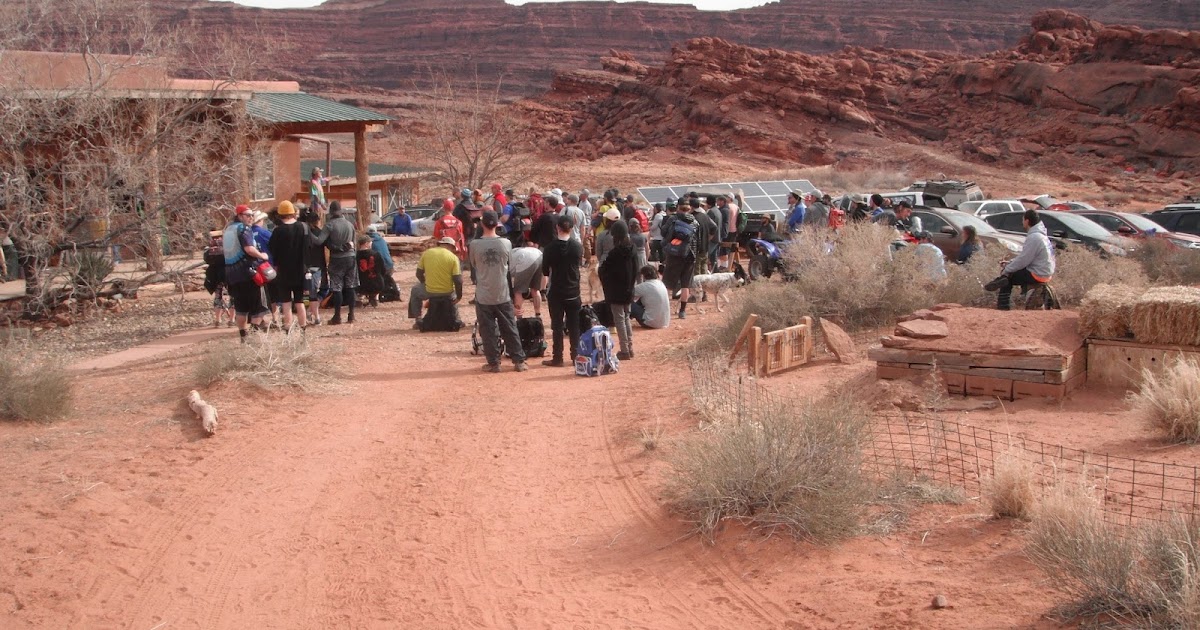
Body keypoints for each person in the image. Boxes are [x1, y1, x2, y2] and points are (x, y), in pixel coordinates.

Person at [470, 211, 528, 373]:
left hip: (483, 294)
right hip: (502, 292)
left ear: (482, 224)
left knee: (487, 331)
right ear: (497, 224)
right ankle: (519, 361)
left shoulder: (474, 244)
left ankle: (494, 363)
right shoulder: (506, 243)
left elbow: (474, 265)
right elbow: (508, 265)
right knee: (509, 327)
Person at [989, 209, 1056, 310]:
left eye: (1023, 220)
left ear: (1027, 221)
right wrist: (1010, 263)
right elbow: (1026, 258)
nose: (1022, 222)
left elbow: (1024, 260)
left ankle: (1003, 307)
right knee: (1011, 271)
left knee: (1007, 278)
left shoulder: (1034, 237)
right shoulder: (1041, 236)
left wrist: (1007, 269)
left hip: (1038, 274)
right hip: (1044, 272)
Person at [223, 205, 270, 342]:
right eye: (248, 215)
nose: (251, 218)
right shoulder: (244, 229)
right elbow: (249, 249)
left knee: (241, 308)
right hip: (249, 274)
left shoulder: (228, 230)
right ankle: (254, 335)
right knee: (258, 307)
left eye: (252, 215)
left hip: (232, 275)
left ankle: (243, 336)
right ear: (239, 215)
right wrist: (262, 255)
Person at [541, 215, 583, 367]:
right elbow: (578, 264)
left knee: (557, 326)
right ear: (571, 228)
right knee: (574, 326)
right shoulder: (577, 246)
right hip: (573, 290)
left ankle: (557, 357)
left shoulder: (550, 248)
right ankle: (576, 355)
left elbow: (545, 271)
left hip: (556, 291)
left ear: (557, 228)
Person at [266, 200, 309, 331]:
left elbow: (272, 249)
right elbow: (308, 247)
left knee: (286, 303)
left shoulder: (278, 231)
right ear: (293, 212)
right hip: (300, 270)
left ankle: (288, 329)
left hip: (283, 271)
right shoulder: (302, 227)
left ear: (280, 214)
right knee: (300, 302)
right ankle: (303, 330)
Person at [599, 219, 638, 360]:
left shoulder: (615, 253)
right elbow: (636, 269)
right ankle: (630, 348)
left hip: (615, 291)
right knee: (626, 317)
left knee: (619, 320)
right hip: (629, 289)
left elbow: (604, 270)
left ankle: (624, 350)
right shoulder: (633, 249)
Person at [408, 236, 463, 320]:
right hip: (447, 292)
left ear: (440, 244)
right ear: (451, 246)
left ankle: (418, 318)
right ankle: (457, 319)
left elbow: (418, 274)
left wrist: (425, 283)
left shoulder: (427, 253)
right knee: (453, 296)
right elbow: (458, 280)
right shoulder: (453, 258)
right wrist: (459, 296)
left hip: (430, 291)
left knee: (415, 290)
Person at [660, 201, 698, 319]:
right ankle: (682, 311)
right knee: (685, 285)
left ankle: (664, 310)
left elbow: (664, 232)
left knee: (667, 284)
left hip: (674, 254)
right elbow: (698, 239)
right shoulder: (695, 222)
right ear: (689, 209)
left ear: (678, 208)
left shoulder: (673, 219)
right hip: (690, 256)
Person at [323, 200, 358, 325]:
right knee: (350, 286)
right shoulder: (350, 224)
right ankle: (351, 315)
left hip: (337, 259)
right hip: (351, 258)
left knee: (336, 287)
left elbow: (319, 240)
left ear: (331, 212)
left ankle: (337, 316)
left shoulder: (329, 225)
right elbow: (354, 243)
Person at [302, 209, 328, 326]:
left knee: (306, 292)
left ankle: (308, 310)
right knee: (320, 291)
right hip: (318, 265)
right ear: (317, 221)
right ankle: (314, 315)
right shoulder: (319, 233)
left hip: (305, 265)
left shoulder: (303, 234)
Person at [510, 239, 544, 318]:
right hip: (539, 254)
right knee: (535, 290)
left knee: (518, 291)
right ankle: (538, 315)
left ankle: (519, 317)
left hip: (525, 259)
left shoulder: (503, 263)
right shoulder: (513, 252)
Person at [355, 235, 387, 307]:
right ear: (366, 243)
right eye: (370, 242)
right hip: (377, 285)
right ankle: (373, 297)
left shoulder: (355, 256)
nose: (371, 243)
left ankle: (358, 299)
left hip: (361, 285)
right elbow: (383, 270)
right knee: (378, 278)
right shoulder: (376, 254)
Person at [689, 197, 717, 275]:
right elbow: (714, 227)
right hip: (705, 247)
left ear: (691, 207)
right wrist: (708, 238)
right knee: (704, 268)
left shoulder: (692, 218)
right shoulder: (705, 216)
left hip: (697, 249)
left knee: (697, 272)